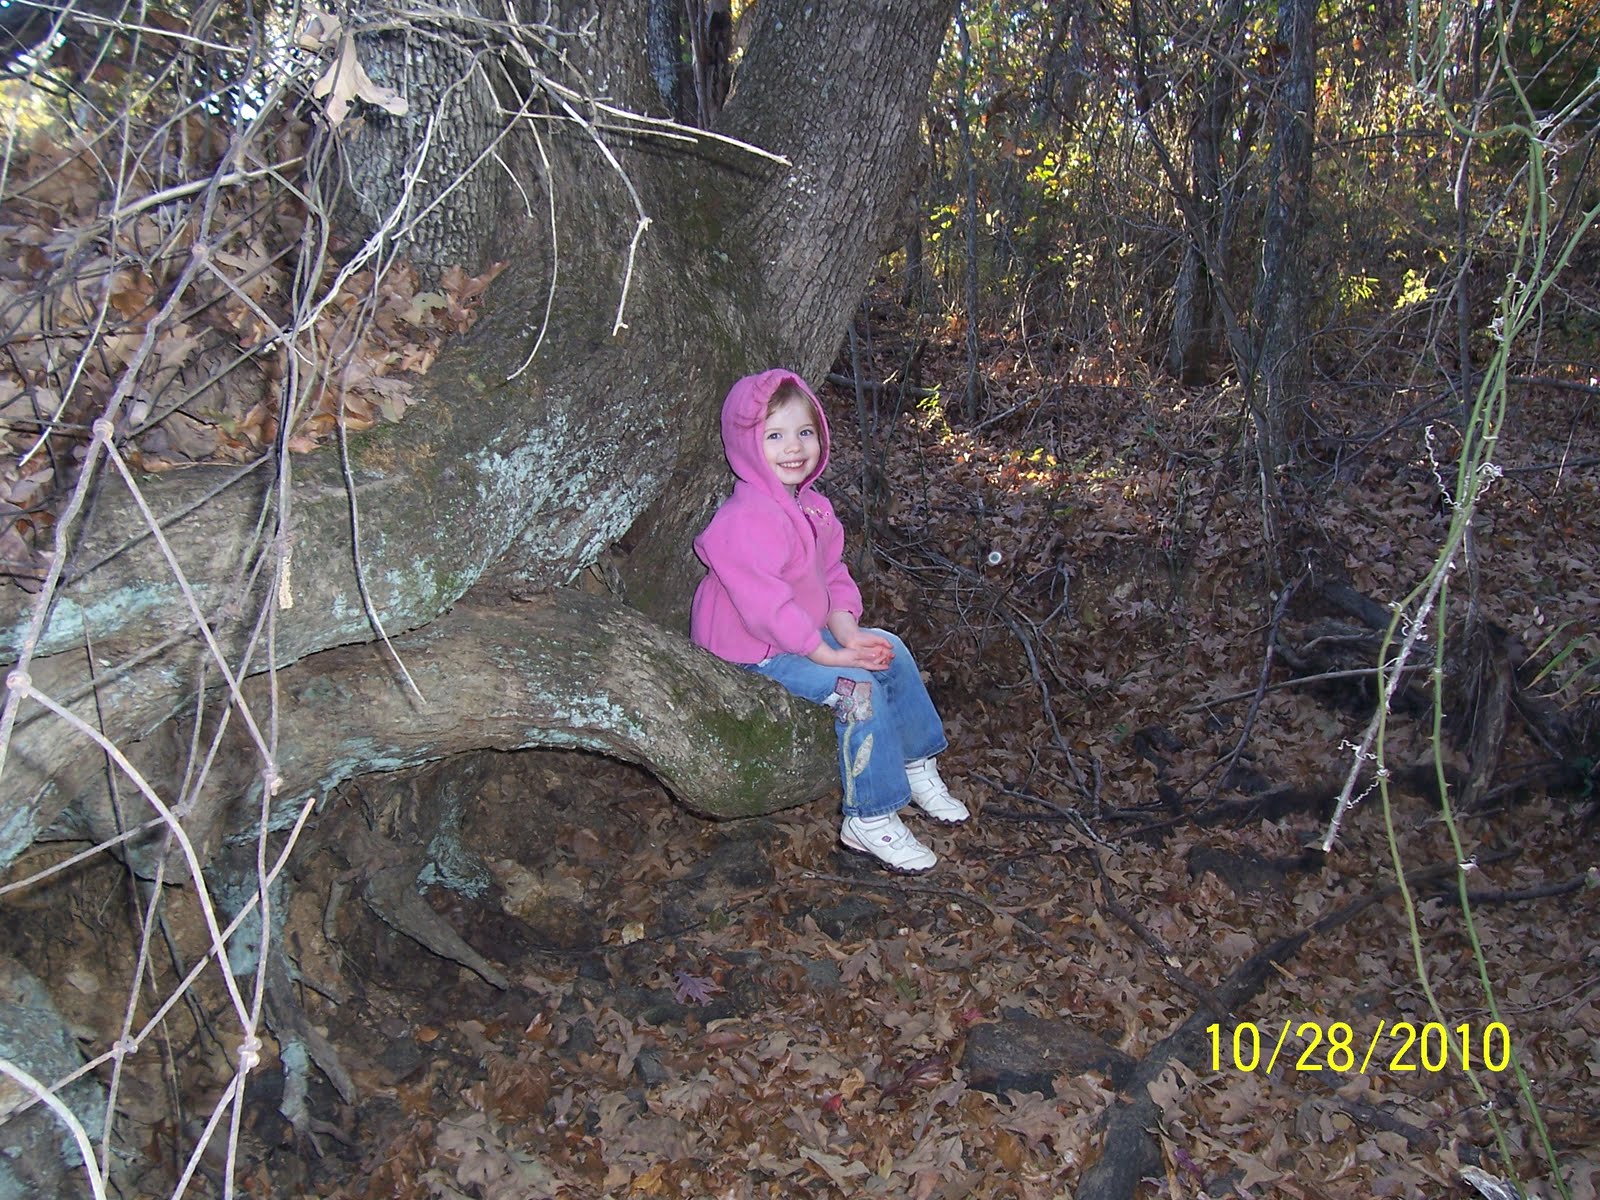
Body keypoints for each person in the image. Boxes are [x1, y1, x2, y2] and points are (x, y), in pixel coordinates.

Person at [690, 368, 969, 871]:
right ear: (747, 445)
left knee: (887, 649)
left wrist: (847, 630)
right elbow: (765, 609)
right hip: (754, 651)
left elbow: (834, 572)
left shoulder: (814, 508)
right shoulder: (745, 520)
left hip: (805, 637)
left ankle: (915, 760)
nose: (793, 447)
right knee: (856, 686)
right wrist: (828, 654)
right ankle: (871, 814)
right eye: (773, 436)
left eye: (804, 432)